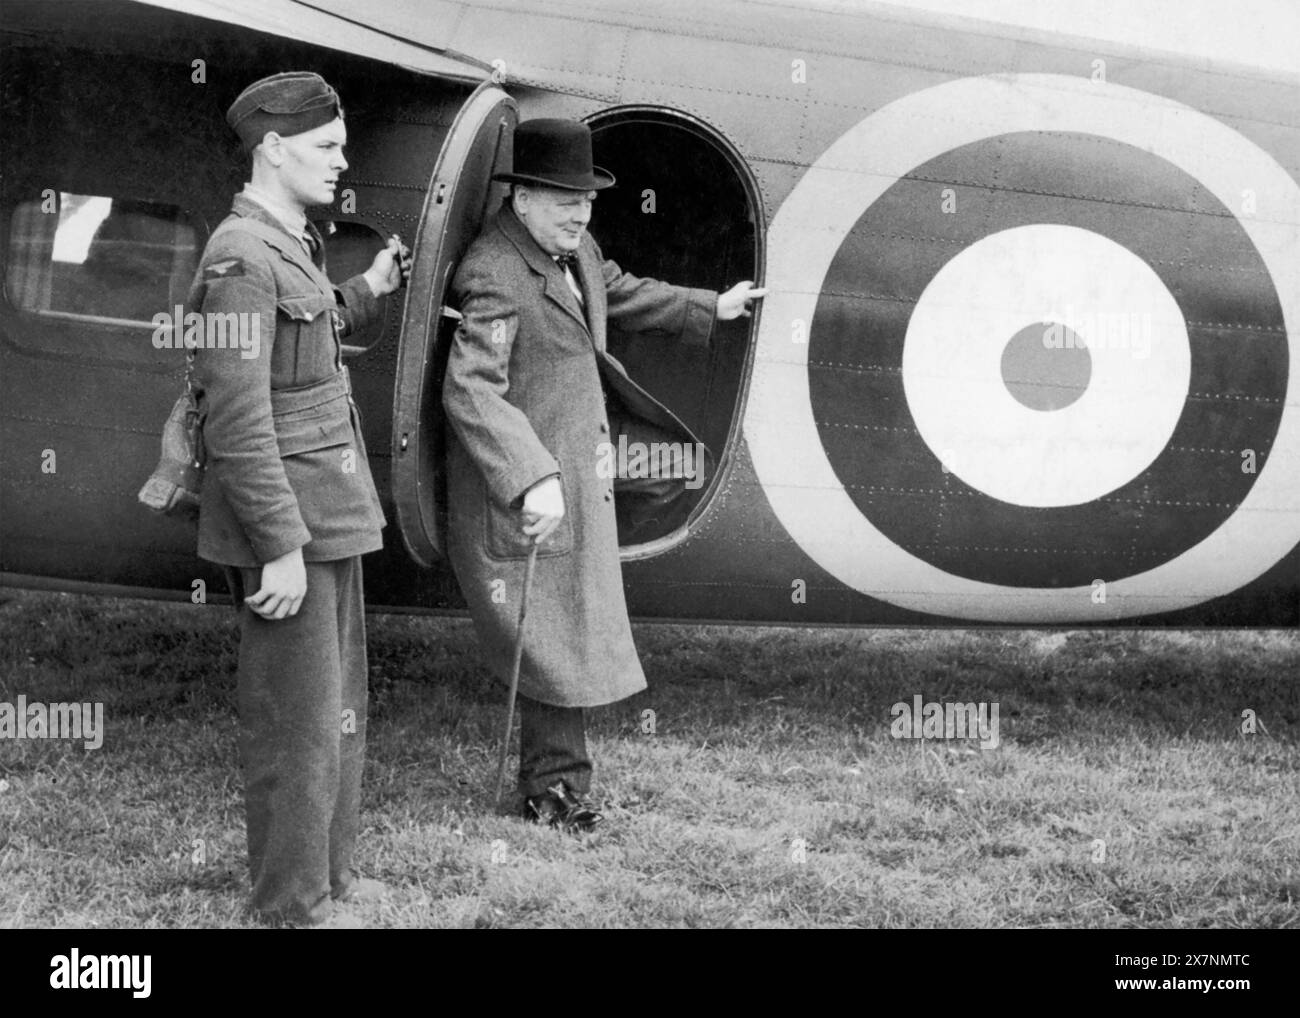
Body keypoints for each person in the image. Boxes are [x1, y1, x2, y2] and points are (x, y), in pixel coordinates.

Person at [442, 118, 764, 832]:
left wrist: (712, 305)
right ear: (521, 197)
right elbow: (471, 389)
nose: (579, 213)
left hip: (580, 474)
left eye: (586, 199)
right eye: (563, 199)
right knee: (554, 632)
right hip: (535, 487)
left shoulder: (572, 248)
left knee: (574, 623)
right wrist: (529, 477)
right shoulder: (494, 273)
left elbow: (613, 289)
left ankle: (560, 781)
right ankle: (553, 791)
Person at [191, 71, 410, 926]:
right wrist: (277, 543)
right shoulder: (241, 256)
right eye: (326, 147)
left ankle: (334, 877)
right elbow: (237, 420)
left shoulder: (290, 240)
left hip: (331, 510)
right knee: (296, 727)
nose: (342, 161)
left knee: (338, 710)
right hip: (292, 525)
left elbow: (311, 329)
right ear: (272, 150)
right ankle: (290, 903)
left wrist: (373, 289)